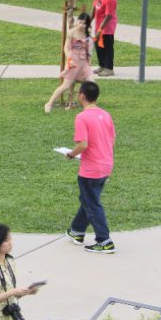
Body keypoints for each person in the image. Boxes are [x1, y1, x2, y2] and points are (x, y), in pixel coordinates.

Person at [64, 81, 117, 253]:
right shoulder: (105, 115)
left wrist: (71, 154)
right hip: (105, 165)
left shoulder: (82, 117)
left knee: (92, 203)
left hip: (90, 169)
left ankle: (104, 241)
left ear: (82, 95)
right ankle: (77, 231)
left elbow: (83, 144)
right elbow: (112, 140)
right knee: (88, 200)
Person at [45, 13, 93, 113]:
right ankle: (49, 103)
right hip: (73, 60)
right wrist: (69, 59)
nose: (81, 25)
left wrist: (89, 63)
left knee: (91, 83)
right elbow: (66, 47)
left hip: (84, 62)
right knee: (66, 85)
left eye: (84, 23)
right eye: (80, 22)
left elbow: (89, 50)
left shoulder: (88, 32)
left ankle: (89, 105)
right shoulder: (72, 32)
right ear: (77, 21)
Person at [92, 0, 117, 76]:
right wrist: (88, 22)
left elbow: (109, 16)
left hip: (107, 27)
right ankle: (102, 65)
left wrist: (100, 30)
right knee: (98, 46)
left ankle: (109, 68)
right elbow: (94, 9)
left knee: (107, 47)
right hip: (99, 25)